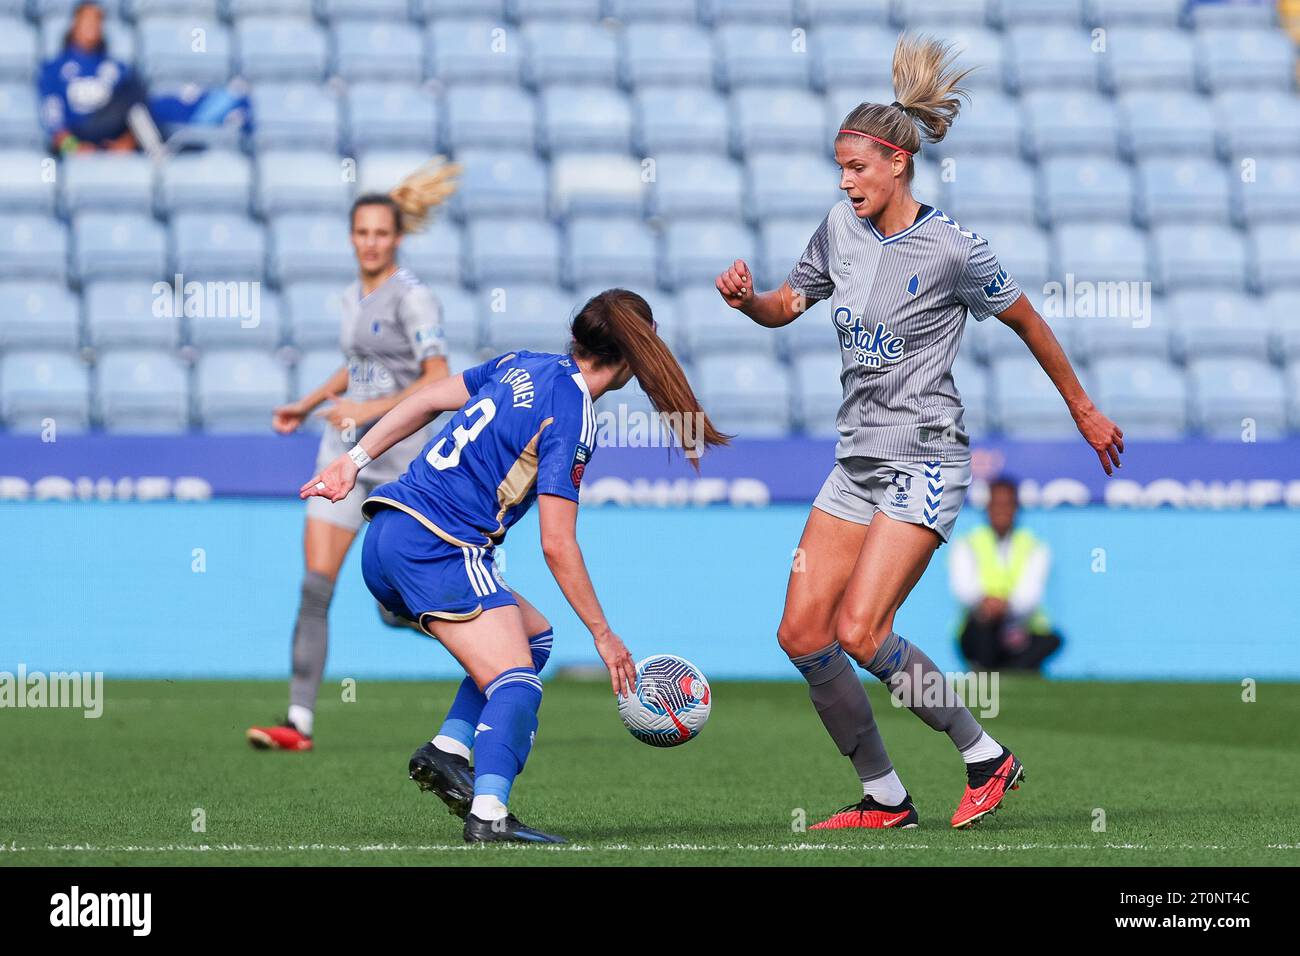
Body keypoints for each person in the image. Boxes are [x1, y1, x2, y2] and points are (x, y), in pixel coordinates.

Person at [714, 35, 1123, 830]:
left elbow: (1030, 323)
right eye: (840, 168)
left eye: (857, 167)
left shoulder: (954, 249)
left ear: (898, 162)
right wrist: (746, 302)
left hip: (924, 459)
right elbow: (786, 305)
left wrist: (1081, 406)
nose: (845, 181)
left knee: (862, 632)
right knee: (802, 634)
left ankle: (985, 756)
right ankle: (885, 797)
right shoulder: (838, 227)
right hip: (854, 464)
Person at [302, 289, 727, 843]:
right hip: (439, 545)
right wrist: (604, 635)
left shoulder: (521, 363)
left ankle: (449, 750)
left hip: (387, 530)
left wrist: (353, 461)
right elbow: (558, 544)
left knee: (536, 637)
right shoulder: (573, 413)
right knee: (517, 681)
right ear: (632, 357)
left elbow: (429, 398)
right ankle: (489, 815)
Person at [246, 160, 459, 752]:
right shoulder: (351, 295)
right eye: (362, 232)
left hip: (399, 457)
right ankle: (298, 722)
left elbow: (438, 379)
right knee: (316, 587)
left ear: (397, 238)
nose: (371, 242)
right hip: (341, 450)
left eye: (381, 233)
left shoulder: (415, 299)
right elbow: (359, 365)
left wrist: (364, 414)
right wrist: (309, 401)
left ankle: (447, 631)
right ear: (351, 236)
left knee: (400, 596)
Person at [950, 477, 1062, 673]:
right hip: (981, 624)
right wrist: (987, 603)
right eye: (996, 504)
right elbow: (963, 588)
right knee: (983, 630)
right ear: (987, 507)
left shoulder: (1034, 547)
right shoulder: (967, 543)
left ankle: (1003, 670)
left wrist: (1006, 607)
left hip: (1020, 628)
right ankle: (1004, 669)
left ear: (1016, 508)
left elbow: (1031, 594)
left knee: (1051, 640)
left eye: (1007, 504)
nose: (1001, 510)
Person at [38, 2, 146, 154]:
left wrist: (125, 144)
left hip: (110, 137)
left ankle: (156, 150)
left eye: (97, 20)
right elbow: (53, 119)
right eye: (87, 20)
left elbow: (137, 106)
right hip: (78, 133)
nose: (92, 25)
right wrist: (74, 148)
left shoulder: (116, 68)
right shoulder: (54, 69)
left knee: (139, 91)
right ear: (75, 24)